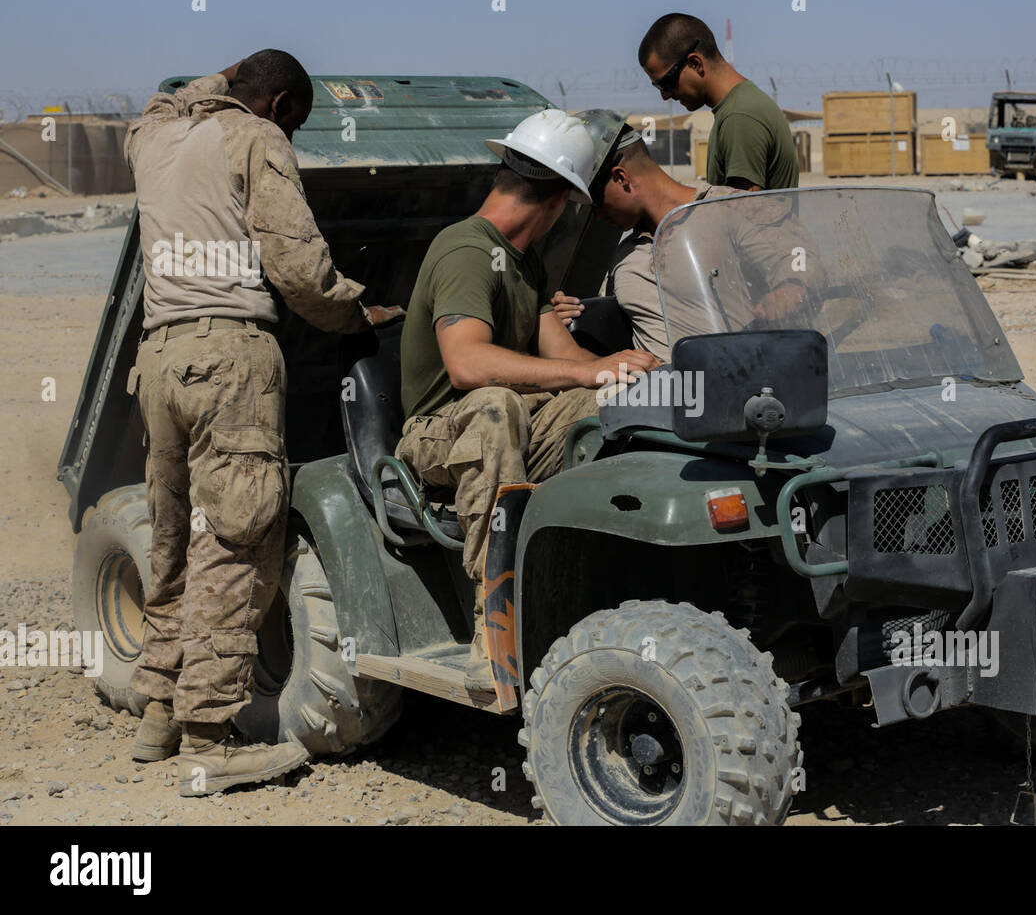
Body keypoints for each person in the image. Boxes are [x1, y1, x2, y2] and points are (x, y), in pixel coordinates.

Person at [124, 49, 404, 794]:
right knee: (239, 543)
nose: (295, 137)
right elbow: (296, 266)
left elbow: (178, 94)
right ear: (278, 106)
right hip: (231, 359)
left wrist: (230, 73)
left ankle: (157, 708)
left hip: (158, 359)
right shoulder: (257, 139)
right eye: (298, 123)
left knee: (174, 539)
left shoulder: (152, 134)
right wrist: (356, 311)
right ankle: (210, 739)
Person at [395, 110, 657, 689]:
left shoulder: (524, 262)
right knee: (497, 406)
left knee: (618, 401)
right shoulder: (466, 249)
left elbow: (565, 358)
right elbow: (467, 364)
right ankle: (494, 624)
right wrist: (583, 373)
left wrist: (622, 371)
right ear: (559, 200)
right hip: (443, 432)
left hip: (510, 423)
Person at [552, 127, 812, 361]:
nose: (596, 214)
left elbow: (800, 258)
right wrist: (576, 312)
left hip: (735, 384)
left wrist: (790, 287)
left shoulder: (726, 208)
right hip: (655, 399)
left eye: (595, 201)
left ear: (621, 178)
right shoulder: (624, 254)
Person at [639, 13, 798, 191]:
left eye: (666, 83)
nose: (665, 96)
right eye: (658, 87)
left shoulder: (739, 117)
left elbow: (744, 213)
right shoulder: (738, 107)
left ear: (695, 63)